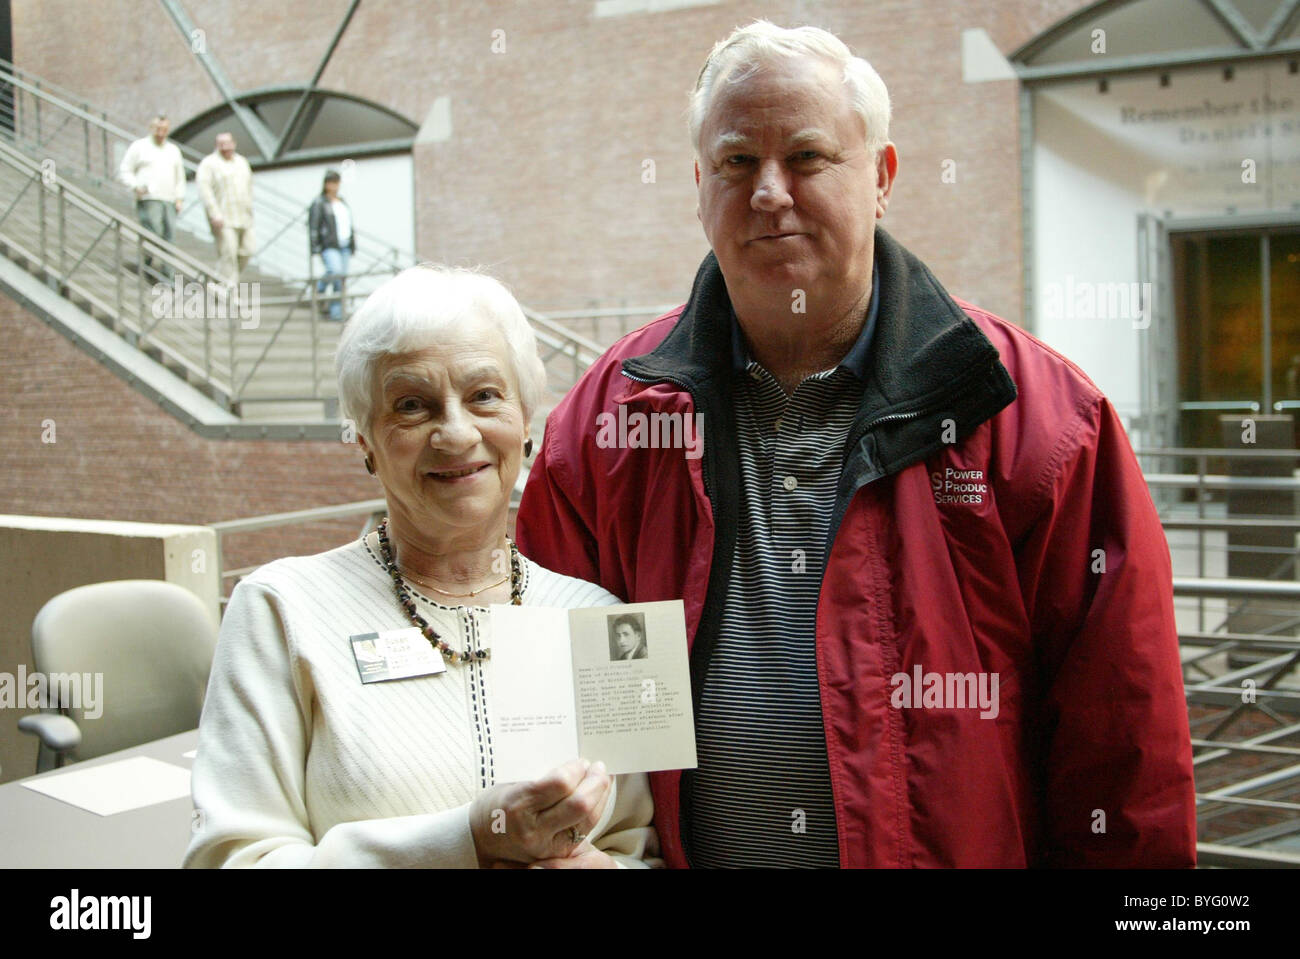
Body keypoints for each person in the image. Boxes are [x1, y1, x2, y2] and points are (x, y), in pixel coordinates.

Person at [517, 20, 1197, 868]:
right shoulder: (606, 429)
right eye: (736, 162)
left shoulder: (1039, 422)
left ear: (880, 177)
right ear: (699, 186)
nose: (769, 192)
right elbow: (565, 718)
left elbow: (1123, 754)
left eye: (806, 158)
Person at [184, 265, 660, 868]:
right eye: (413, 405)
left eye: (485, 395)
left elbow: (641, 850)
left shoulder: (605, 624)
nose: (456, 434)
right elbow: (231, 861)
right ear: (364, 440)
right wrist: (467, 842)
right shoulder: (279, 611)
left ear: (526, 421)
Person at [118, 114, 185, 280]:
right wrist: (135, 186)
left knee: (169, 237)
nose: (161, 132)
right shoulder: (139, 147)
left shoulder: (173, 150)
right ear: (151, 128)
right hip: (149, 197)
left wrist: (179, 198)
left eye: (164, 129)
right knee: (153, 232)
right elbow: (125, 170)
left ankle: (167, 274)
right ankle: (147, 266)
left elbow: (179, 176)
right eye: (158, 129)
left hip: (168, 198)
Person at [195, 132, 255, 287]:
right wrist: (214, 213)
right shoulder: (208, 164)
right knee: (228, 253)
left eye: (228, 143)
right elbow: (205, 191)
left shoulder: (242, 162)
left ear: (234, 143)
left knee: (247, 251)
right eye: (221, 144)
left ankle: (218, 280)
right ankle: (229, 290)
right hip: (223, 218)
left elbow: (248, 187)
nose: (225, 147)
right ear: (216, 145)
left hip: (244, 217)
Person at [309, 170, 356, 321]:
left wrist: (353, 243)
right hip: (329, 244)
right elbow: (314, 225)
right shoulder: (319, 202)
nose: (334, 186)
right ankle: (319, 288)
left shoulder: (342, 202)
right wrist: (315, 245)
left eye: (336, 182)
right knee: (334, 271)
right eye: (331, 182)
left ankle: (336, 313)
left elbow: (348, 224)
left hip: (345, 244)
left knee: (340, 280)